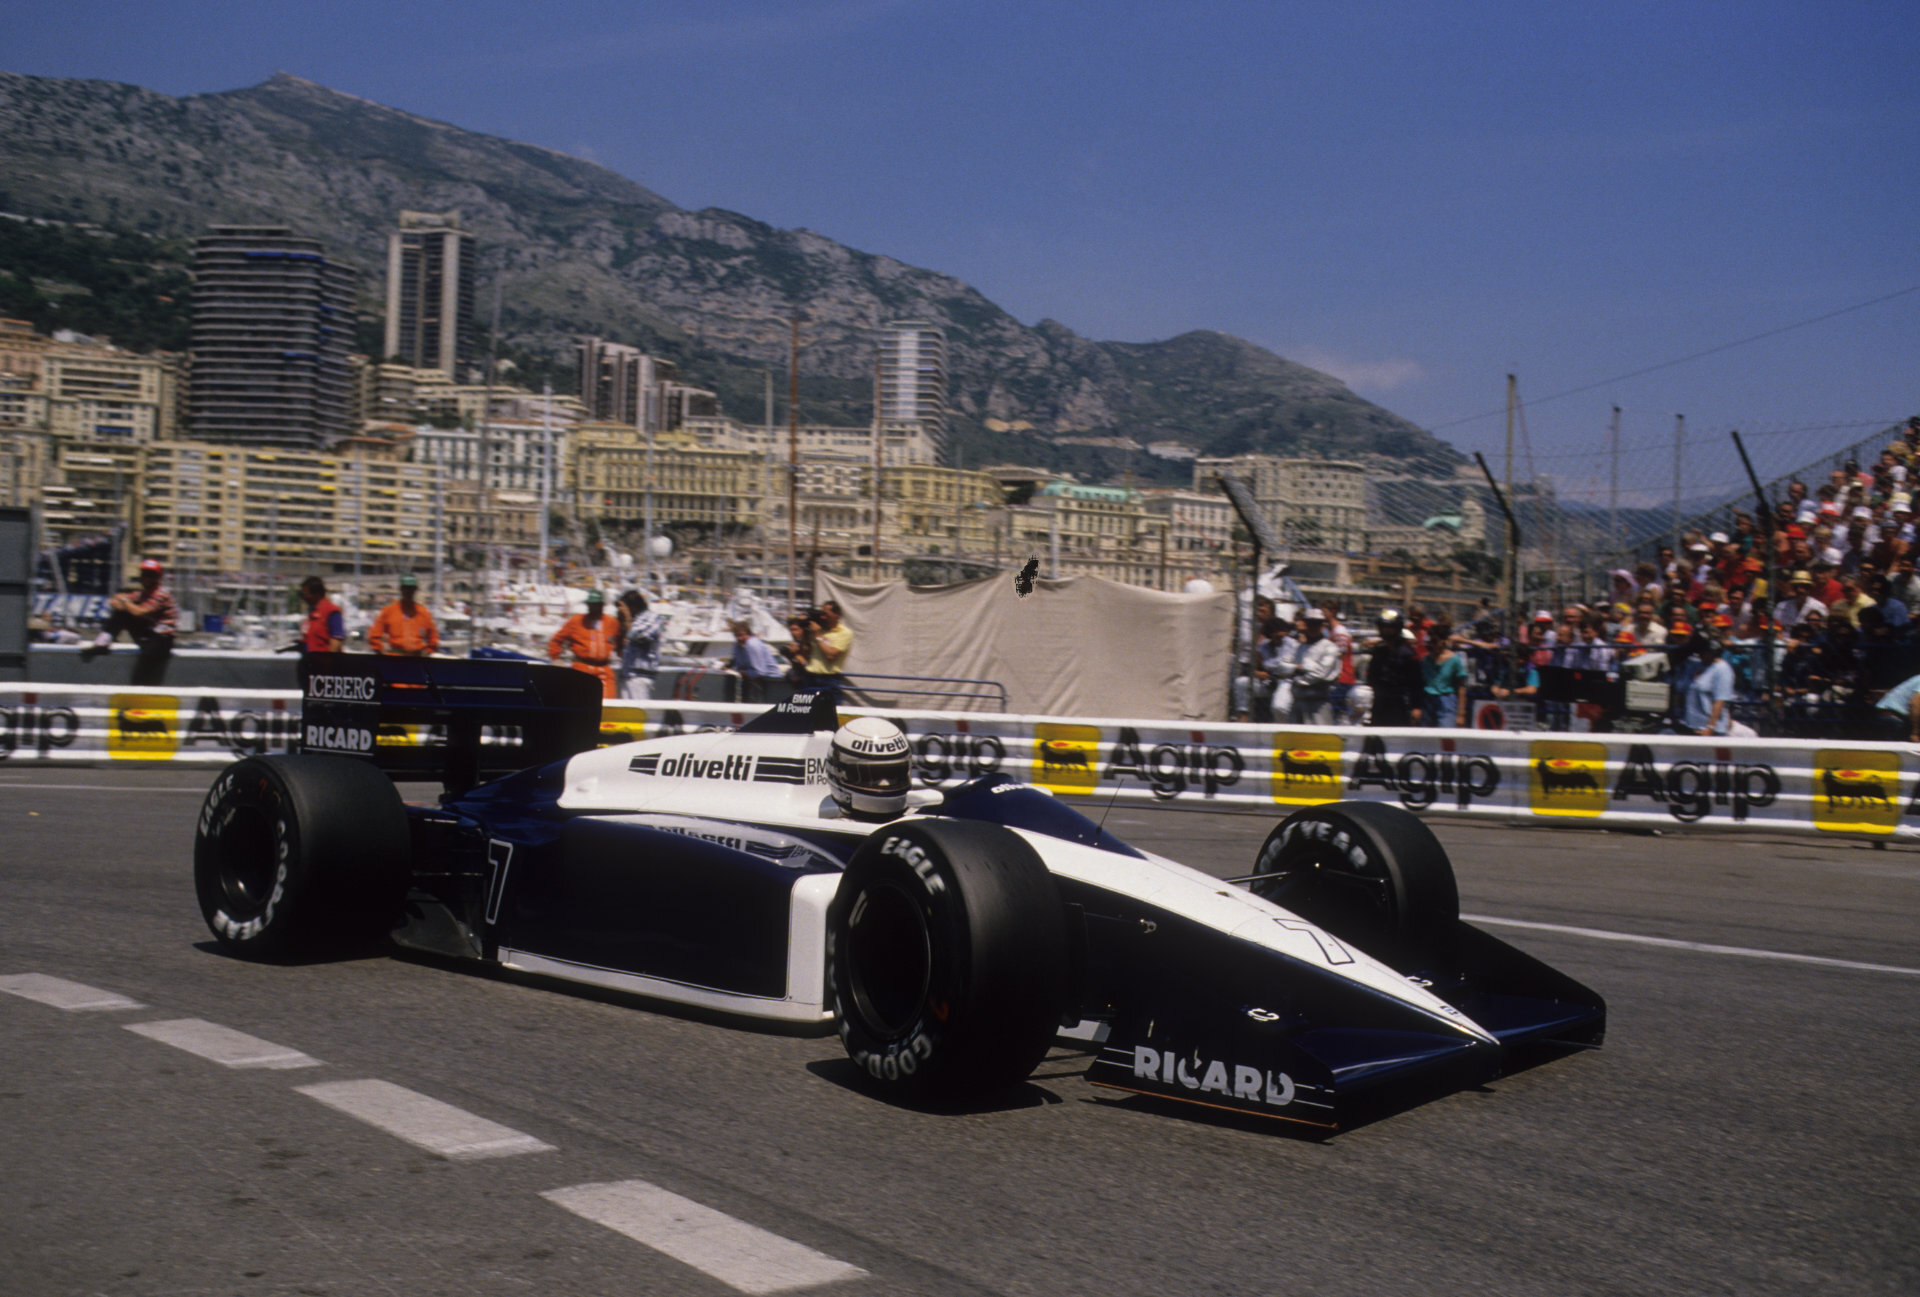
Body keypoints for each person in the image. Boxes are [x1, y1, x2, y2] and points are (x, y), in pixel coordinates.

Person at [81, 557, 177, 685]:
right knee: (122, 613)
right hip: (150, 634)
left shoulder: (161, 594)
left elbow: (139, 612)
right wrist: (125, 603)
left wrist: (126, 602)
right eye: (144, 574)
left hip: (163, 638)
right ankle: (102, 643)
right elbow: (115, 600)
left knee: (144, 670)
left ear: (157, 578)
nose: (146, 578)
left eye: (150, 575)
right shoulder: (143, 594)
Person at [824, 716, 911, 821]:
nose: (884, 784)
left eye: (893, 774)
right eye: (872, 776)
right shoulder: (831, 830)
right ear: (838, 771)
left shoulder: (917, 819)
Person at [548, 590, 619, 698]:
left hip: (604, 670)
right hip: (581, 669)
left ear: (602, 605)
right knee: (580, 701)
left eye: (595, 604)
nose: (592, 607)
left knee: (608, 704)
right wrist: (556, 658)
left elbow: (620, 642)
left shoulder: (612, 622)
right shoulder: (576, 621)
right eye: (590, 604)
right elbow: (556, 640)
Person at [1281, 609, 1342, 725]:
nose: (1312, 627)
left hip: (1318, 703)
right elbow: (1281, 668)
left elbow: (1319, 675)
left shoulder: (1330, 648)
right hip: (1297, 700)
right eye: (1310, 623)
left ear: (1323, 626)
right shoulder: (1299, 647)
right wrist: (1299, 669)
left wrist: (1295, 672)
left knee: (1320, 740)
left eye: (1316, 624)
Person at [1365, 609, 1424, 727]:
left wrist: (1416, 707)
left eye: (1390, 627)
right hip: (1380, 702)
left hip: (1400, 703)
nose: (1386, 630)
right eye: (1384, 626)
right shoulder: (1378, 650)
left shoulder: (1408, 654)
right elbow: (1372, 676)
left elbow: (1417, 684)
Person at [367, 573, 439, 657]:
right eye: (405, 588)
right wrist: (380, 652)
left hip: (417, 659)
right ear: (401, 589)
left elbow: (433, 637)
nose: (408, 591)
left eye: (411, 588)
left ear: (415, 589)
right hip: (395, 659)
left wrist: (428, 651)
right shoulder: (388, 611)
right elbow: (374, 635)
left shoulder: (423, 612)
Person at [1679, 637, 1737, 736]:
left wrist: (1710, 727)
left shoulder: (1722, 669)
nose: (1700, 656)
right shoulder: (1695, 666)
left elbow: (1720, 701)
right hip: (1690, 725)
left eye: (1703, 653)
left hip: (1711, 730)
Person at [616, 590, 667, 700]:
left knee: (639, 713)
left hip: (640, 677)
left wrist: (627, 618)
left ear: (633, 606)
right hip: (628, 675)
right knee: (627, 715)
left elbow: (638, 635)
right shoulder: (634, 620)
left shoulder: (651, 618)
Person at [1421, 618, 1468, 728]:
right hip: (1428, 700)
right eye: (1430, 642)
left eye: (1434, 642)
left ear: (1443, 641)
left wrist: (1461, 714)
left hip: (1446, 700)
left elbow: (1461, 687)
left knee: (1446, 733)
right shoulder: (1426, 660)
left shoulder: (1454, 660)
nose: (1431, 645)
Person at [804, 600, 853, 701]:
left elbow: (830, 655)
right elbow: (806, 652)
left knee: (830, 712)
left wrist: (818, 635)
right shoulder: (818, 629)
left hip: (828, 680)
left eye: (826, 614)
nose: (822, 617)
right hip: (810, 677)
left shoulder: (844, 633)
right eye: (822, 614)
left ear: (837, 615)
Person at [729, 620, 787, 702]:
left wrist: (745, 673)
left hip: (770, 682)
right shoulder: (737, 646)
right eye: (736, 636)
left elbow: (760, 672)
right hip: (752, 682)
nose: (739, 638)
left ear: (748, 634)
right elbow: (738, 666)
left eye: (742, 635)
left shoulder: (753, 644)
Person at [298, 576, 345, 656]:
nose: (303, 598)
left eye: (305, 594)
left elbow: (336, 640)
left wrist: (329, 661)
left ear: (317, 594)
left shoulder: (331, 611)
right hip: (309, 660)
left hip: (322, 662)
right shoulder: (312, 612)